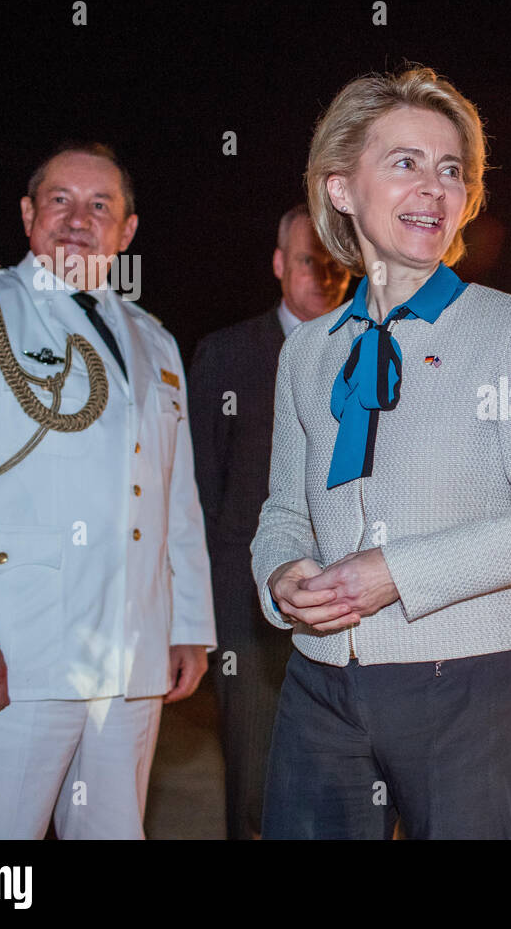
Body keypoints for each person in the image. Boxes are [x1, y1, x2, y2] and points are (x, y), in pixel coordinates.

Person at [251, 66, 511, 839]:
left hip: (471, 688)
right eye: (404, 162)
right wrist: (279, 575)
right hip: (319, 684)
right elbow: (283, 510)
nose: (434, 188)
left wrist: (393, 575)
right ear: (340, 189)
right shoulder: (305, 352)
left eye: (451, 171)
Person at [0, 143, 215, 838]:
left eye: (101, 205)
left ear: (125, 231)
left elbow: (173, 497)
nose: (77, 217)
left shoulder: (154, 341)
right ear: (29, 214)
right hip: (18, 646)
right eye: (60, 199)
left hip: (128, 655)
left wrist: (186, 623)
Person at [188, 205, 350, 840]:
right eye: (311, 261)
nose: (327, 277)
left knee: (344, 778)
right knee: (256, 780)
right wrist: (201, 613)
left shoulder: (367, 348)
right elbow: (201, 489)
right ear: (281, 265)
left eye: (339, 264)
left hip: (349, 600)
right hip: (249, 612)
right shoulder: (227, 354)